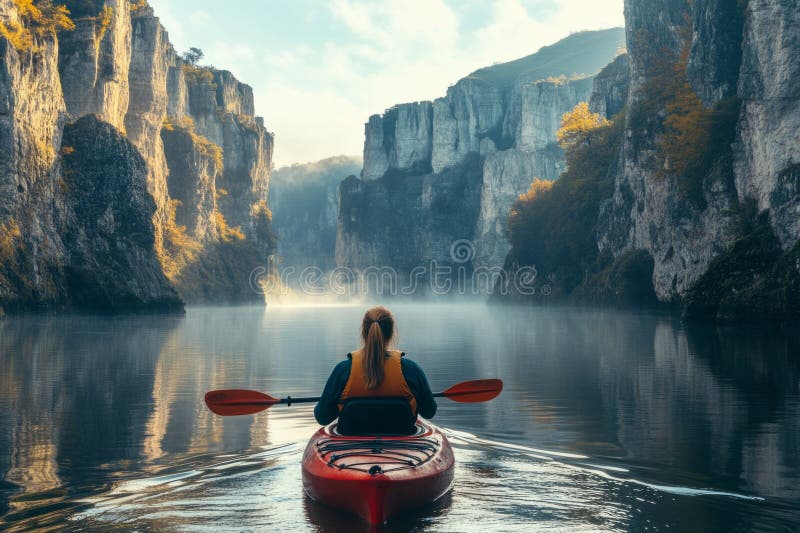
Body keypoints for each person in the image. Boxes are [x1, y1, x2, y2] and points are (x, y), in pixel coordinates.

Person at [314, 306, 437, 434]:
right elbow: (429, 412)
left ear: (363, 332)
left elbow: (322, 417)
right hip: (403, 442)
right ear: (391, 333)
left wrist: (335, 402)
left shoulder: (343, 370)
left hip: (350, 443)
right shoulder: (411, 370)